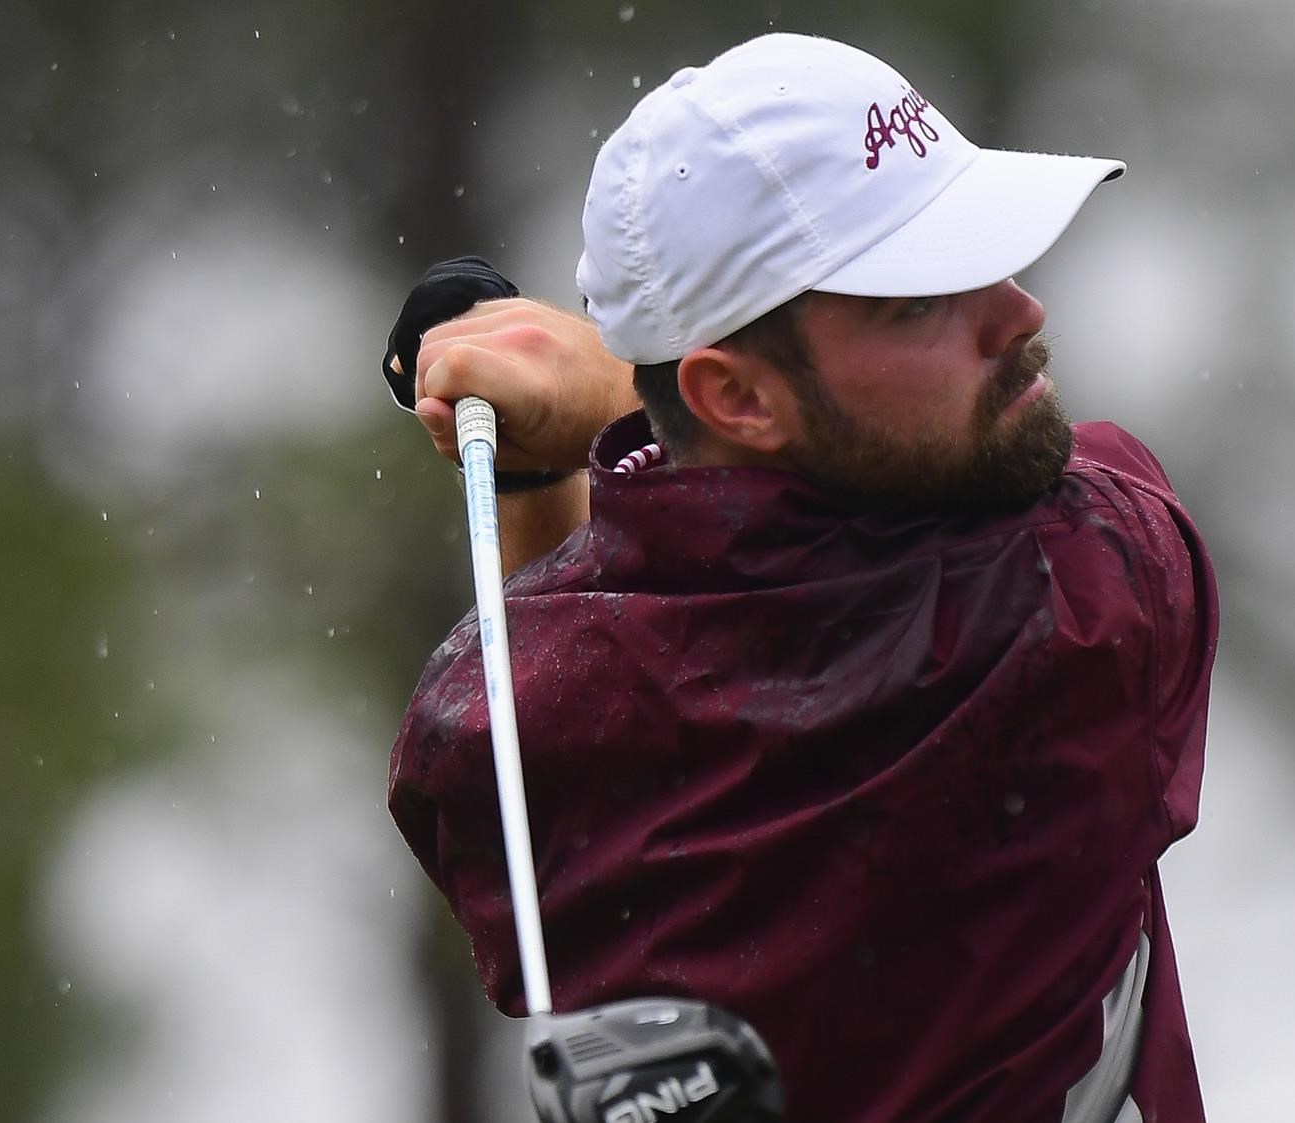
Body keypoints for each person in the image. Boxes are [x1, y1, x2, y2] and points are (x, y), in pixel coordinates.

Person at [386, 32, 1219, 1123]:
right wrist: (602, 391)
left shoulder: (496, 733)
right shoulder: (1085, 606)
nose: (1018, 315)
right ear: (736, 397)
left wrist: (558, 452)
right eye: (920, 299)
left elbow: (594, 625)